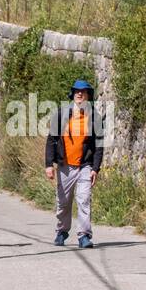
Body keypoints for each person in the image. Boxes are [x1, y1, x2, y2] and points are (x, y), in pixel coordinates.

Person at [45, 79, 104, 248]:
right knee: (63, 203)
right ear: (73, 94)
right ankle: (62, 231)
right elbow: (51, 140)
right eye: (77, 91)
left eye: (83, 92)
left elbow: (99, 145)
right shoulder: (62, 113)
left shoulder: (94, 117)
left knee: (84, 199)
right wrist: (49, 164)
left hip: (85, 165)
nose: (80, 94)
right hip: (65, 165)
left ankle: (84, 236)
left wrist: (95, 168)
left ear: (88, 96)